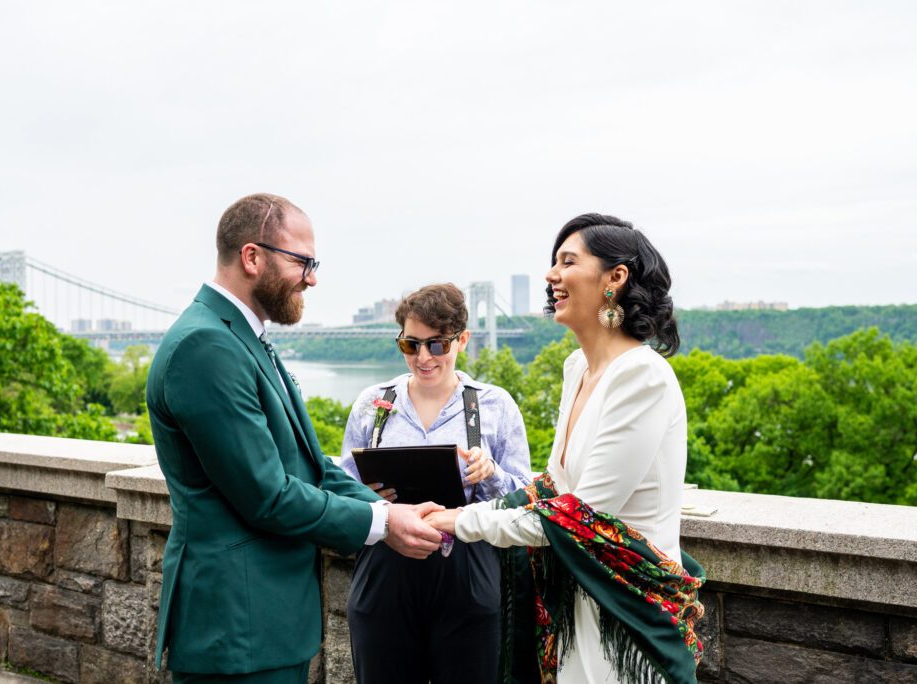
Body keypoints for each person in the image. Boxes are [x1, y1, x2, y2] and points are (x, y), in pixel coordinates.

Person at [146, 193, 445, 684]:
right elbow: (266, 494)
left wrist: (393, 510)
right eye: (302, 262)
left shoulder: (242, 338)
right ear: (252, 257)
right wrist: (382, 524)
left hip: (267, 622)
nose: (312, 277)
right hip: (238, 628)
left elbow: (310, 465)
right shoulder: (207, 346)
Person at [425, 214, 706, 684]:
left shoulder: (643, 376)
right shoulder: (577, 367)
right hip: (575, 605)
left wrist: (461, 520)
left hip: (628, 614)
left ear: (615, 278)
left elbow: (579, 515)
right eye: (553, 262)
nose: (551, 275)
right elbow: (552, 487)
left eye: (568, 261)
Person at [339, 283, 533, 684]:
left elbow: (525, 500)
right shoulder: (373, 403)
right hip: (384, 571)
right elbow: (340, 488)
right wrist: (367, 496)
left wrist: (491, 473)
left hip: (467, 571)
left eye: (437, 345)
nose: (423, 358)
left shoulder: (495, 405)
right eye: (411, 346)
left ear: (462, 339)